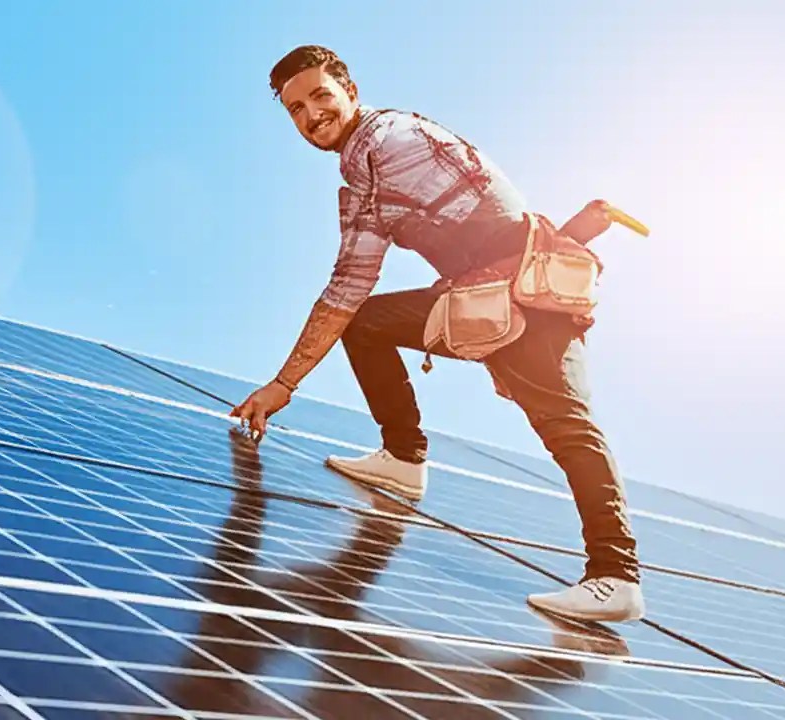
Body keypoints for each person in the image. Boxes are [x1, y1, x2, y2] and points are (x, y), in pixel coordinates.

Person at [229, 45, 644, 623]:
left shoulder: (388, 143)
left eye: (320, 95)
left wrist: (283, 385)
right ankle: (404, 458)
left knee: (567, 426)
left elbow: (354, 279)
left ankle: (615, 576)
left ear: (349, 89)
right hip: (479, 296)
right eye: (295, 108)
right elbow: (356, 284)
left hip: (526, 296)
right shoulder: (363, 166)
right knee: (368, 323)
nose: (311, 114)